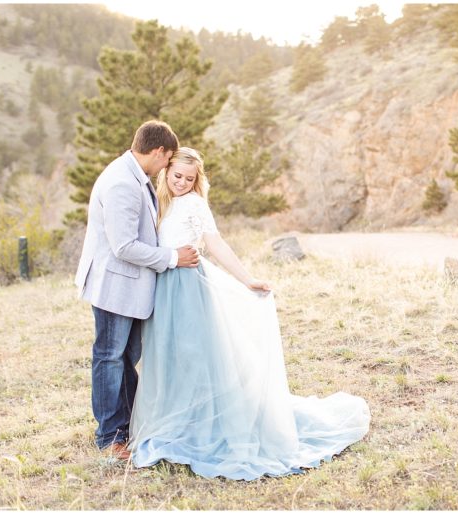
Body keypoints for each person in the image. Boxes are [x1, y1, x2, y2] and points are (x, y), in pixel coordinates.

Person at [129, 147, 370, 480]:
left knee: (196, 355)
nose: (182, 183)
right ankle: (175, 422)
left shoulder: (195, 204)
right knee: (169, 357)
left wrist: (247, 279)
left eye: (189, 178)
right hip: (163, 288)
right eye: (176, 176)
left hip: (187, 288)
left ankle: (204, 428)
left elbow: (216, 245)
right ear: (165, 171)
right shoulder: (158, 200)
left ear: (197, 180)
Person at [74, 121, 200, 460]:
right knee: (109, 358)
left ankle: (129, 425)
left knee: (127, 357)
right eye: (168, 159)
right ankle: (110, 436)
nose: (167, 167)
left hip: (129, 287)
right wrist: (173, 257)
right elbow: (124, 246)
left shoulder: (133, 175)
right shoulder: (121, 183)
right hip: (115, 285)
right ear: (158, 152)